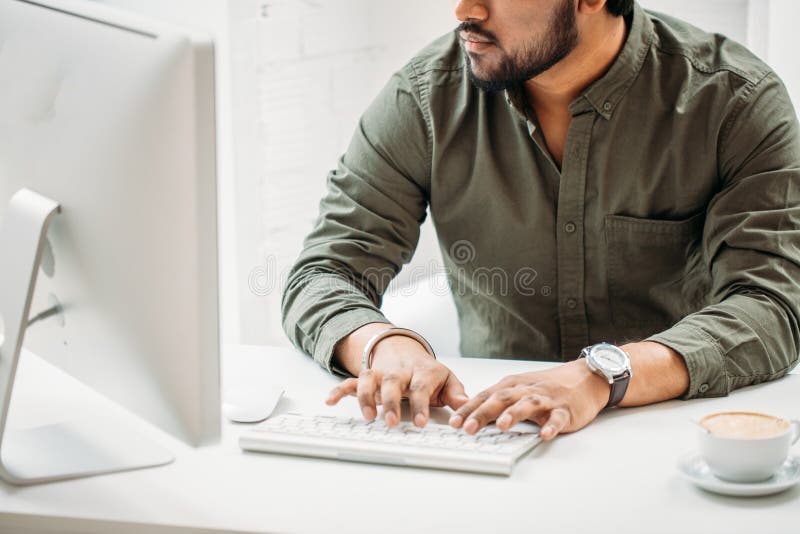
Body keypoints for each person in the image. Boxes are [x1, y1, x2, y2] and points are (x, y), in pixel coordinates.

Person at [281, 0, 800, 441]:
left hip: (670, 433)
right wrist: (383, 343)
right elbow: (324, 271)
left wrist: (603, 375)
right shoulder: (425, 96)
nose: (464, 10)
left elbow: (772, 304)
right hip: (490, 434)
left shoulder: (734, 101)